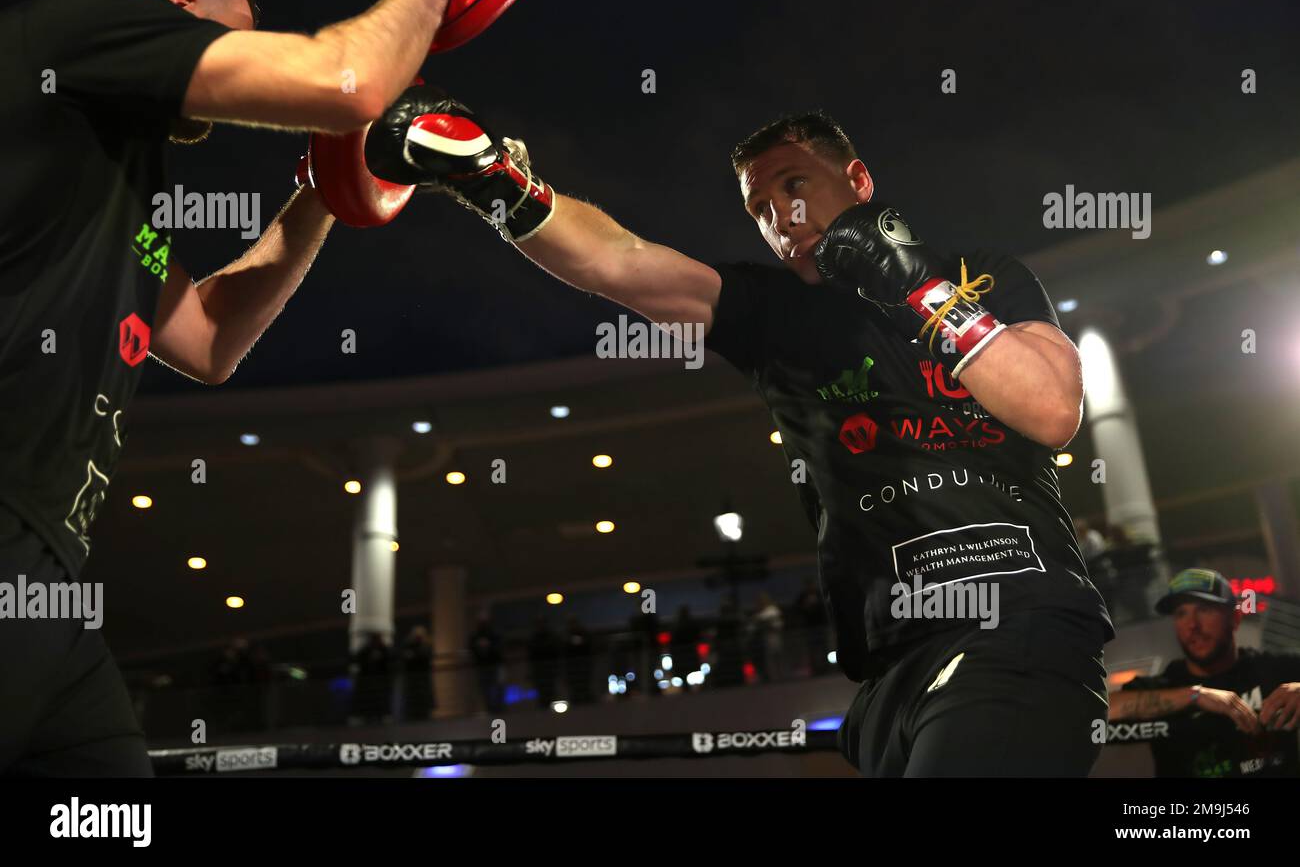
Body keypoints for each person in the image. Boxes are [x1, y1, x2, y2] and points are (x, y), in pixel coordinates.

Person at [363, 97, 1114, 776]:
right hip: (890, 669)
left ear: (857, 179)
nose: (781, 217)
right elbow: (616, 262)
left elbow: (1051, 409)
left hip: (1014, 622)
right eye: (758, 206)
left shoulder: (978, 272)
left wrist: (918, 287)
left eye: (794, 185)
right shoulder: (770, 312)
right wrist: (490, 179)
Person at [0, 0, 545, 776]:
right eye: (240, 39)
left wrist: (327, 187)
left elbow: (210, 340)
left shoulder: (100, 177)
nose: (248, 68)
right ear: (178, 4)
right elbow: (347, 77)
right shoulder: (74, 29)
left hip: (48, 576)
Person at [1110, 568, 1300, 777]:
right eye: (1181, 613)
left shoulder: (1271, 669)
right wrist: (1194, 695)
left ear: (1235, 619)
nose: (1192, 625)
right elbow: (1097, 717)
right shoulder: (1165, 685)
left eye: (1205, 609)